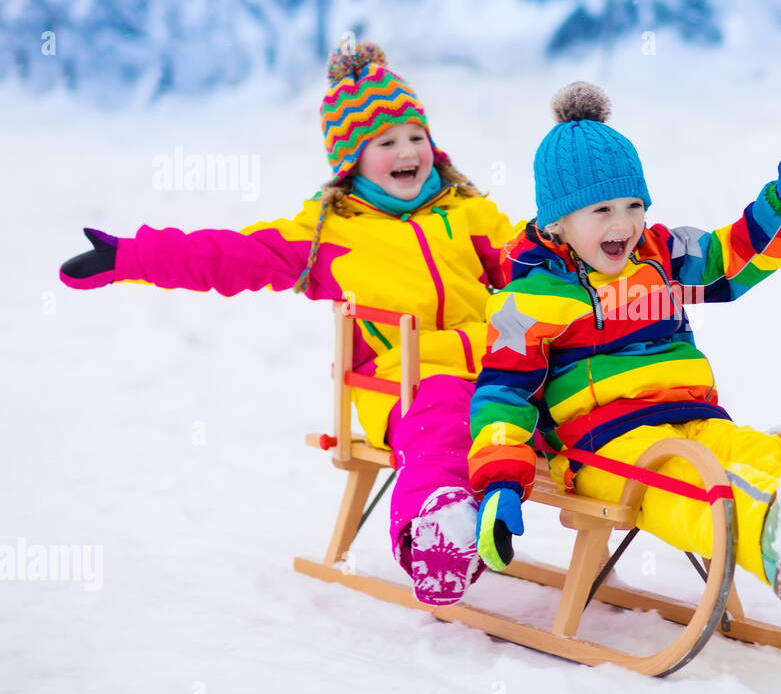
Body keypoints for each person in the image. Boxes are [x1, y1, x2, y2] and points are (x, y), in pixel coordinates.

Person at [59, 40, 523, 606]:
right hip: (408, 382)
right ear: (352, 159)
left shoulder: (467, 212)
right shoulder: (330, 233)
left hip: (498, 369)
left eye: (416, 137)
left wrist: (595, 252)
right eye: (386, 142)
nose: (407, 152)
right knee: (443, 420)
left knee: (566, 386)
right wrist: (131, 257)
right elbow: (231, 257)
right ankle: (437, 532)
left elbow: (530, 264)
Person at [467, 82, 781, 605]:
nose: (624, 224)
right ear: (558, 223)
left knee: (752, 451)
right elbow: (505, 393)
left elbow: (734, 258)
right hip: (603, 443)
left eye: (634, 205)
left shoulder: (660, 255)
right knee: (681, 482)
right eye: (602, 210)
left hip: (693, 414)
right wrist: (500, 483)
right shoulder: (527, 300)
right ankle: (771, 533)